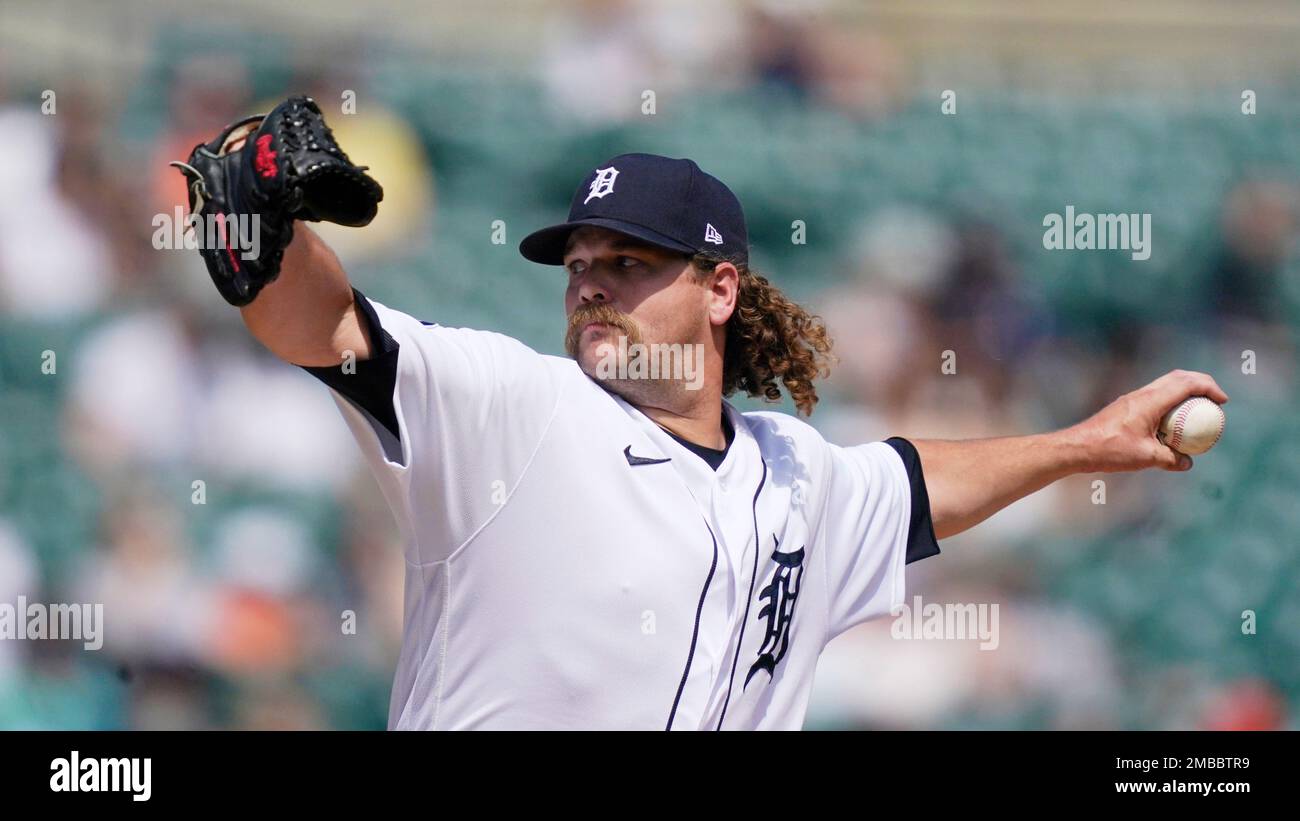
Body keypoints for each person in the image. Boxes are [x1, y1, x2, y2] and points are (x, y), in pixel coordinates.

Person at [176, 98, 1228, 729]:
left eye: (627, 263)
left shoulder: (795, 469)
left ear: (718, 289)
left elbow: (913, 485)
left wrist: (1088, 442)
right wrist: (261, 224)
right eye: (579, 265)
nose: (589, 284)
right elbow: (334, 332)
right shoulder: (515, 408)